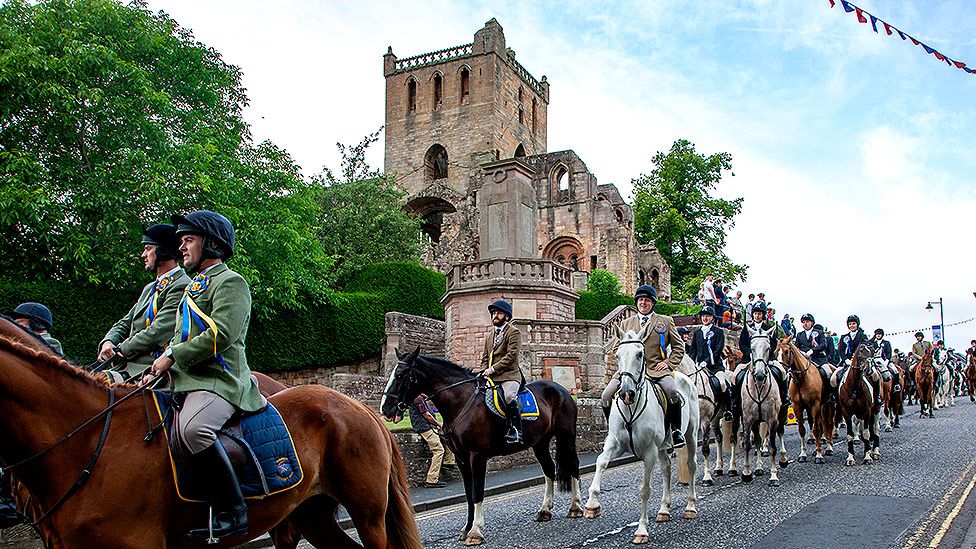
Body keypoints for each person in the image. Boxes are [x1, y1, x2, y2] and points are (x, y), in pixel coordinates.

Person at [145, 210, 264, 539]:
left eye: (188, 240)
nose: (181, 247)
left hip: (221, 381)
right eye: (181, 241)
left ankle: (235, 511)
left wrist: (172, 356)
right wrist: (158, 368)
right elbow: (180, 335)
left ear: (212, 243)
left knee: (195, 430)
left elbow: (221, 334)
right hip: (187, 380)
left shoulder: (231, 282)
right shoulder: (191, 289)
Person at [97, 224, 190, 380]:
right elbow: (125, 323)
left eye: (148, 249)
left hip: (151, 368)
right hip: (127, 365)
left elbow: (157, 331)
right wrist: (108, 342)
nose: (143, 255)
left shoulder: (182, 285)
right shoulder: (149, 288)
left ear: (163, 251)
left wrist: (120, 350)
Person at [602, 285, 686, 448]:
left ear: (653, 303)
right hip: (629, 372)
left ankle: (676, 431)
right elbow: (615, 349)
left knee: (672, 392)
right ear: (636, 302)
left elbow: (679, 348)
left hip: (656, 369)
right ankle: (612, 432)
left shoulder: (665, 321)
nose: (643, 303)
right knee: (605, 396)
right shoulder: (626, 323)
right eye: (641, 300)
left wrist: (668, 364)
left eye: (647, 300)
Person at [477, 300, 525, 444]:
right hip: (491, 376)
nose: (495, 316)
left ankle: (516, 431)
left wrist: (493, 369)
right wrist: (482, 371)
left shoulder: (513, 332)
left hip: (509, 375)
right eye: (493, 313)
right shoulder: (489, 335)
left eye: (498, 313)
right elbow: (485, 357)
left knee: (509, 396)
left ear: (507, 316)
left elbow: (511, 356)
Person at [734, 303, 790, 417]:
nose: (757, 316)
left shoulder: (769, 328)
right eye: (755, 314)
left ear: (763, 315)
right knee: (735, 376)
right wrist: (749, 353)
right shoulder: (747, 328)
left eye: (759, 314)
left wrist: (765, 355)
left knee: (783, 373)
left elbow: (773, 344)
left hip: (767, 358)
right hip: (749, 359)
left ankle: (784, 398)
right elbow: (742, 344)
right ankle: (735, 402)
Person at [689, 306, 733, 421]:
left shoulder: (718, 332)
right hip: (699, 367)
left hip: (715, 367)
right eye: (703, 316)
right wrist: (692, 364)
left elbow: (718, 350)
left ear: (712, 318)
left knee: (722, 384)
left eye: (707, 316)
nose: (705, 318)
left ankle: (728, 410)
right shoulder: (697, 333)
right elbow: (693, 351)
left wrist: (706, 362)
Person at [409, 393, 456, 488]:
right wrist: (439, 424)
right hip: (425, 428)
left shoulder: (421, 399)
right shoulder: (418, 399)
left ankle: (449, 462)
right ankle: (432, 480)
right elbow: (427, 416)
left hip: (428, 426)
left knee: (448, 435)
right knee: (438, 450)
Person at [831, 315, 879, 407]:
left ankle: (876, 397)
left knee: (875, 375)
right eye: (850, 324)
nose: (852, 326)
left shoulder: (863, 336)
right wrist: (846, 360)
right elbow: (841, 350)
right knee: (833, 379)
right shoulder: (844, 337)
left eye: (853, 323)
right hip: (846, 363)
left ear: (857, 325)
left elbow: (866, 349)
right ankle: (836, 398)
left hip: (861, 363)